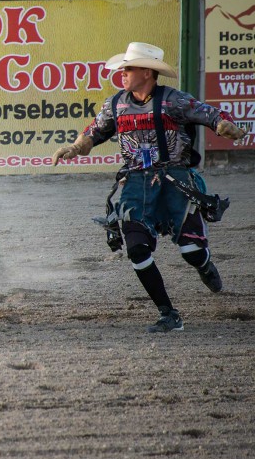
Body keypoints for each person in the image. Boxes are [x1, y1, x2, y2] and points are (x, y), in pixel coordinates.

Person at [51, 42, 246, 333]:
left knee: (191, 250)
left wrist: (225, 126)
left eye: (128, 68)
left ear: (147, 72)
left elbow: (209, 114)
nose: (122, 73)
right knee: (136, 249)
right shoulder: (115, 103)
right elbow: (94, 132)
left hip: (176, 180)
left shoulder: (174, 101)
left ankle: (204, 265)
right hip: (135, 182)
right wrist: (75, 147)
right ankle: (168, 313)